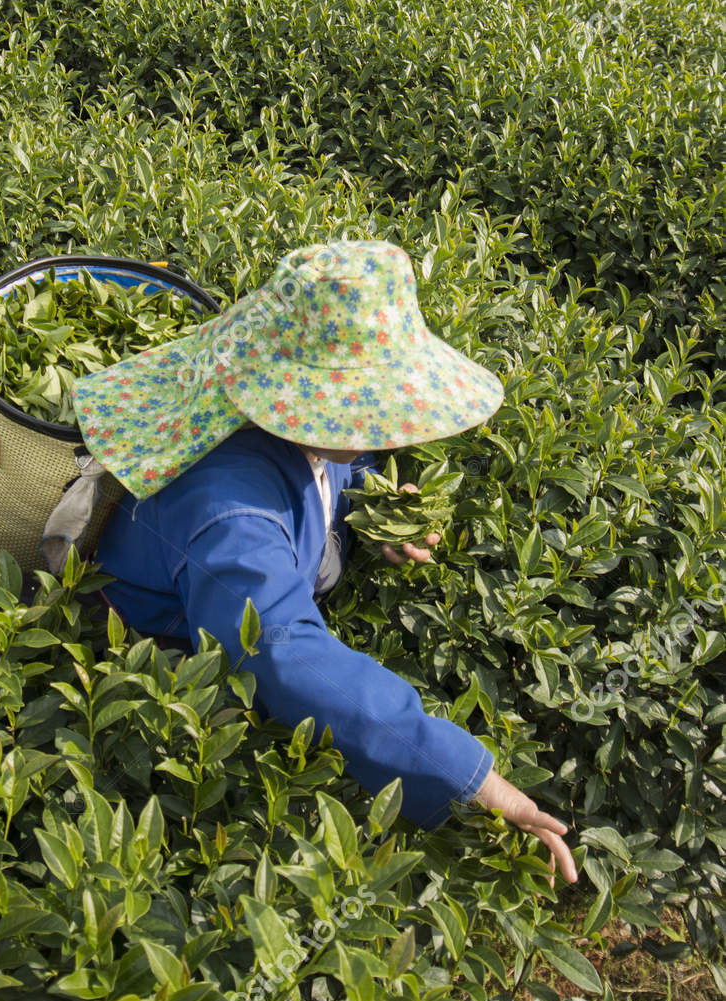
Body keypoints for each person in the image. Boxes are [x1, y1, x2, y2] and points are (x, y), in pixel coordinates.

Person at [71, 241, 577, 883]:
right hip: (164, 643)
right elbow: (284, 657)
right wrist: (463, 773)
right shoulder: (228, 512)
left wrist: (372, 513)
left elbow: (332, 463)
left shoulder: (288, 428)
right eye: (367, 410)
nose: (386, 431)